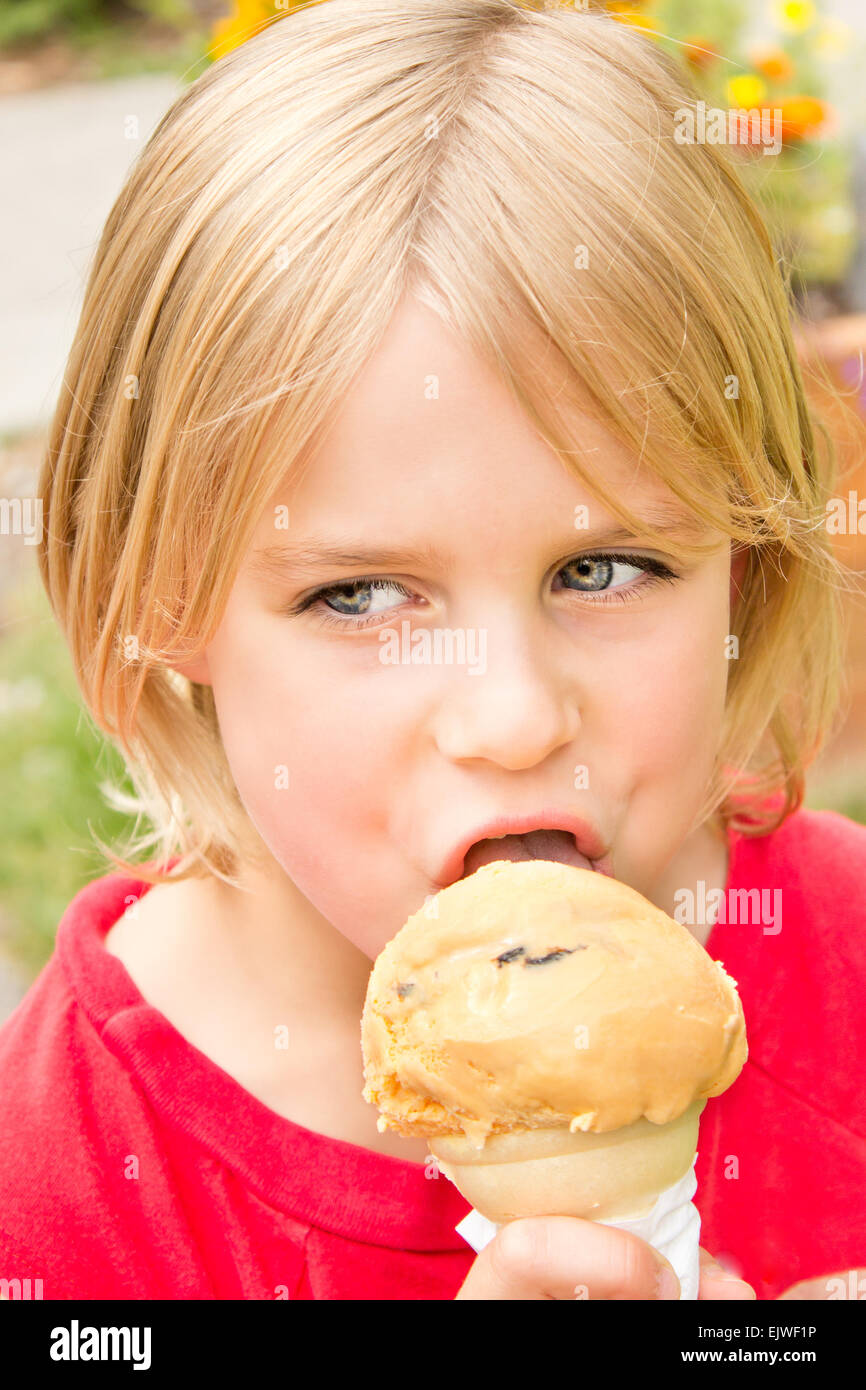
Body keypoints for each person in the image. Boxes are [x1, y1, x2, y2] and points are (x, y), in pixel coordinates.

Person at [1, 0, 864, 1301]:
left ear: (746, 560)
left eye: (603, 567)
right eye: (360, 594)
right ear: (163, 593)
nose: (512, 716)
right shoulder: (61, 1190)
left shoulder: (842, 964)